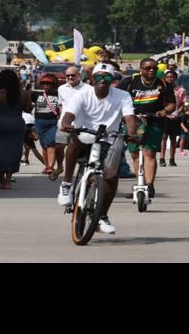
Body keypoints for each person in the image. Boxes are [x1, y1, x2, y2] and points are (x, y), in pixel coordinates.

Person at [57, 64, 139, 235]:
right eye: (99, 77)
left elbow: (129, 118)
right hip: (83, 135)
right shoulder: (82, 94)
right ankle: (66, 184)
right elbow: (69, 114)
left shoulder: (122, 96)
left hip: (108, 139)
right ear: (92, 79)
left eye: (107, 77)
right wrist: (66, 125)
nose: (103, 80)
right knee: (74, 143)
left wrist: (132, 134)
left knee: (112, 176)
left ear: (112, 80)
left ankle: (102, 216)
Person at [121, 58, 172, 200]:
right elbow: (116, 99)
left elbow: (171, 104)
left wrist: (164, 111)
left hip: (154, 122)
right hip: (133, 122)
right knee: (135, 154)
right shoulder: (129, 82)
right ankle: (140, 185)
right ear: (141, 69)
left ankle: (149, 185)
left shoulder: (163, 84)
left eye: (154, 68)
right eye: (148, 68)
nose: (151, 71)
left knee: (149, 153)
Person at [30, 72, 66, 178]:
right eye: (43, 83)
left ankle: (50, 166)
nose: (45, 85)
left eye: (48, 83)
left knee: (50, 144)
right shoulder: (36, 95)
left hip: (52, 123)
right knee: (44, 146)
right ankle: (47, 166)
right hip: (39, 123)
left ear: (54, 84)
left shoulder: (59, 95)